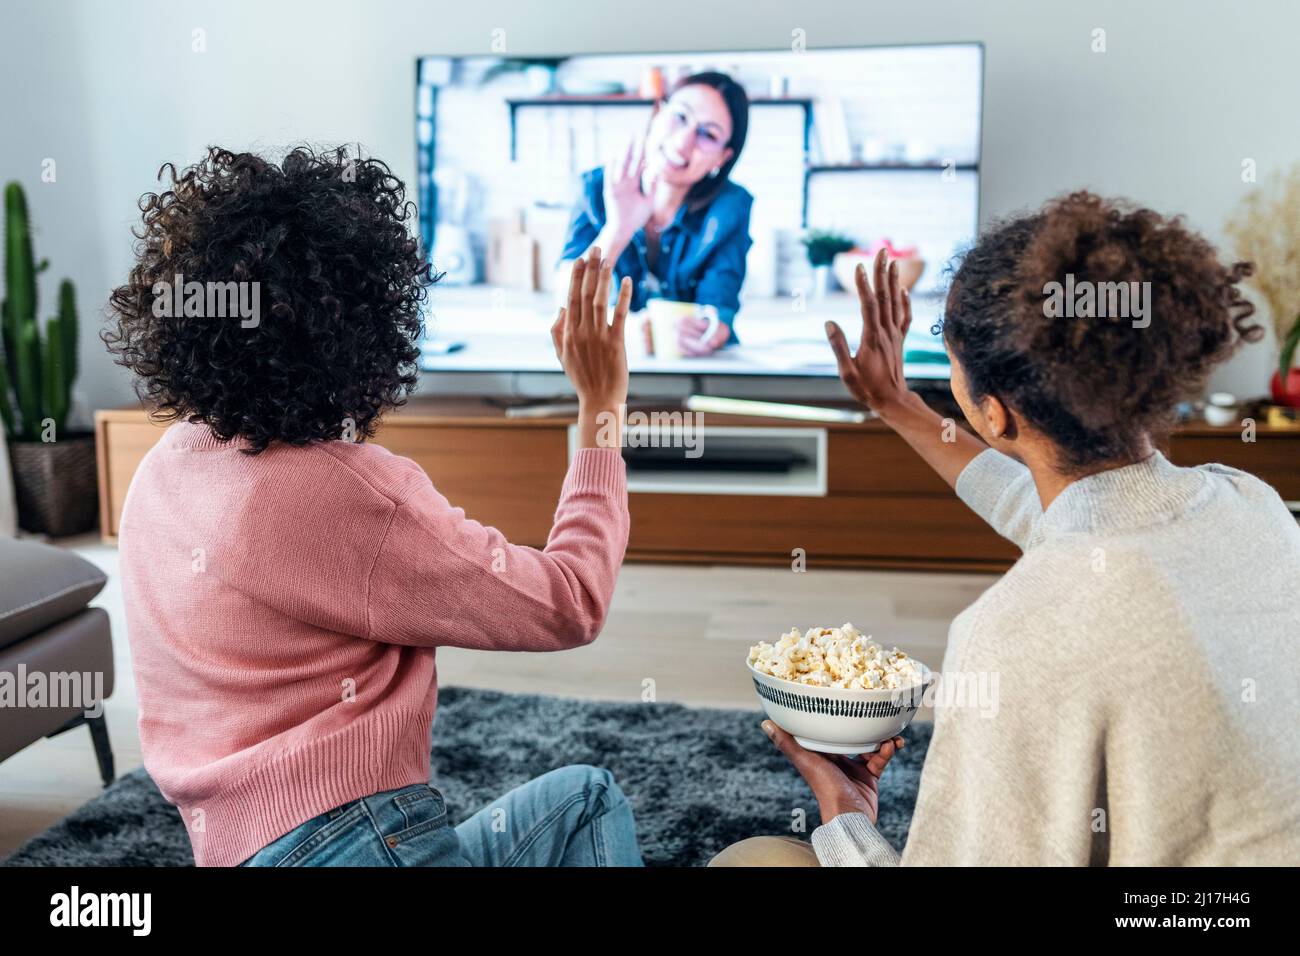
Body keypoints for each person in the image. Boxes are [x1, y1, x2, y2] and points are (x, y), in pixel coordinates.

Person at [714, 191, 1300, 866]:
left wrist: (845, 819)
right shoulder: (1247, 501)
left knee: (751, 860)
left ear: (992, 413)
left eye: (949, 349)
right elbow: (1060, 507)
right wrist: (896, 404)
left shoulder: (1017, 633)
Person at [104, 145, 643, 867]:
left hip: (232, 852)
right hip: (359, 840)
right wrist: (601, 409)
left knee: (581, 798)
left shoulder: (159, 472)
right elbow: (570, 600)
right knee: (588, 799)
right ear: (363, 329)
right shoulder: (351, 493)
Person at [559, 71, 752, 357]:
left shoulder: (729, 207)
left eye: (708, 135)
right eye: (681, 117)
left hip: (690, 374)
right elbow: (564, 304)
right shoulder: (597, 187)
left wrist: (710, 329)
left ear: (722, 158)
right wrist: (619, 228)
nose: (684, 142)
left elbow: (718, 306)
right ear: (658, 112)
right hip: (605, 372)